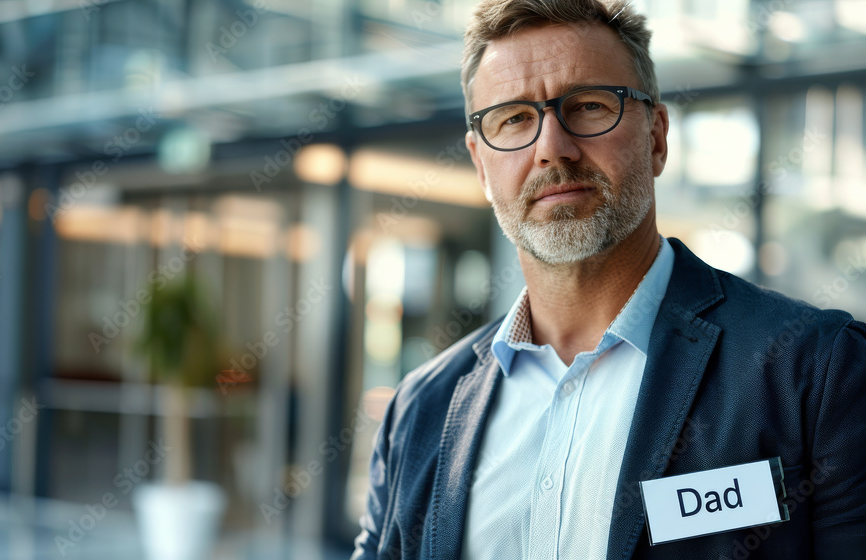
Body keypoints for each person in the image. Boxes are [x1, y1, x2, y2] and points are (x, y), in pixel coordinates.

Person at [351, 0, 866, 558]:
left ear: (657, 137)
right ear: (480, 164)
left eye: (590, 106)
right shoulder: (419, 409)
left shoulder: (818, 371)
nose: (552, 149)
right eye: (514, 119)